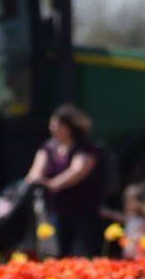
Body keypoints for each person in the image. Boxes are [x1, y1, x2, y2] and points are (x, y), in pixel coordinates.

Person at [24, 104, 104, 257]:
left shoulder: (84, 149)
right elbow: (35, 172)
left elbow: (77, 170)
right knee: (57, 253)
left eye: (58, 125)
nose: (53, 129)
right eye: (52, 125)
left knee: (93, 252)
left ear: (69, 128)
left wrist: (52, 184)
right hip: (57, 210)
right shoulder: (48, 148)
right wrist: (35, 181)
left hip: (85, 210)